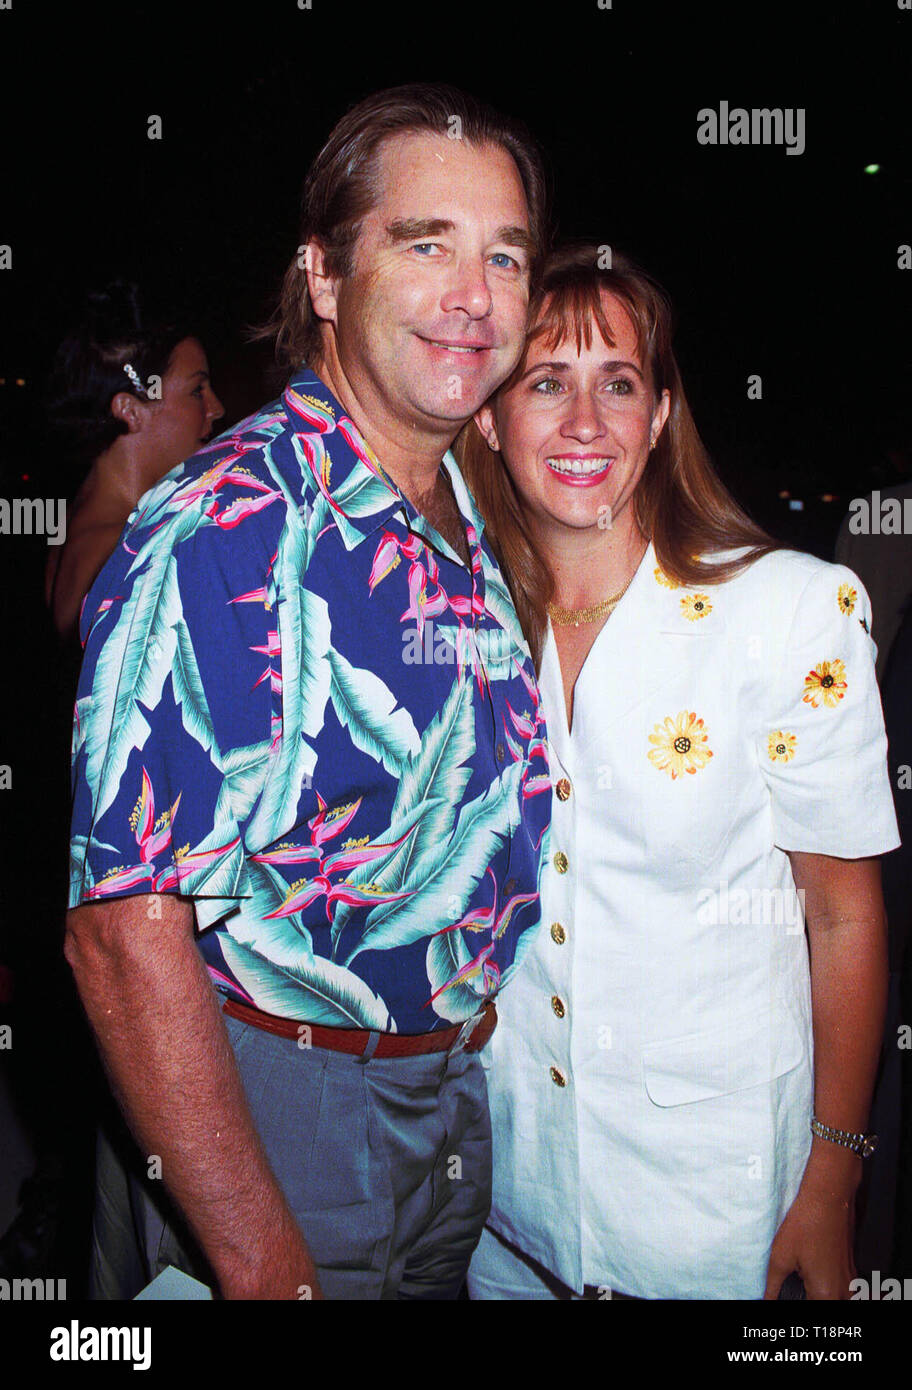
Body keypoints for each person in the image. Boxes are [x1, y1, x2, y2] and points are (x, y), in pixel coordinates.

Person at [65, 84, 551, 1301]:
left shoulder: (472, 511)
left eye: (504, 254)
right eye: (424, 242)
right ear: (325, 278)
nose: (473, 293)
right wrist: (262, 1260)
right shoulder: (224, 526)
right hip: (288, 1105)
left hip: (447, 1100)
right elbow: (124, 931)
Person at [458, 243, 900, 1300]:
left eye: (618, 383)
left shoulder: (789, 611)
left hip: (716, 1221)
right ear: (488, 415)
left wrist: (835, 1176)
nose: (583, 422)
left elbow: (843, 915)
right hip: (504, 1216)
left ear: (660, 413)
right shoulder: (457, 625)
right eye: (545, 383)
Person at [44, 283, 224, 645]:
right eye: (196, 391)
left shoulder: (71, 532)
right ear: (129, 410)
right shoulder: (128, 551)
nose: (216, 408)